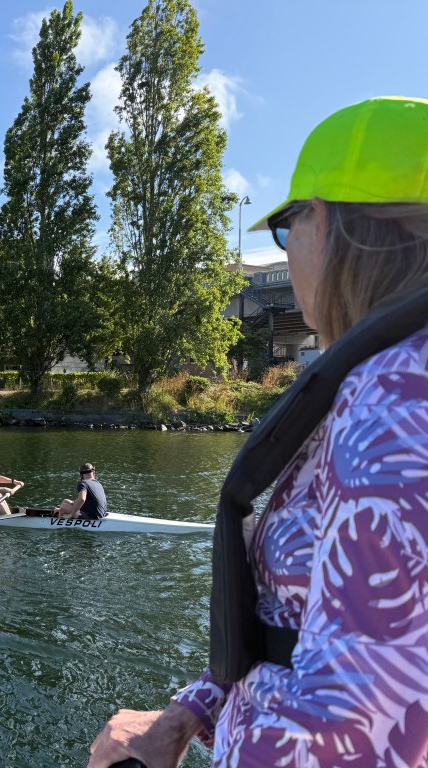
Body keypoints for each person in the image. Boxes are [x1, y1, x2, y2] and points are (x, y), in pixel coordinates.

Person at [89, 96, 428, 767]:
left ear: (327, 222)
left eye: (284, 227)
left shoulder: (397, 403)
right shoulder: (380, 388)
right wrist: (190, 711)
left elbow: (357, 737)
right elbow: (306, 628)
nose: (286, 246)